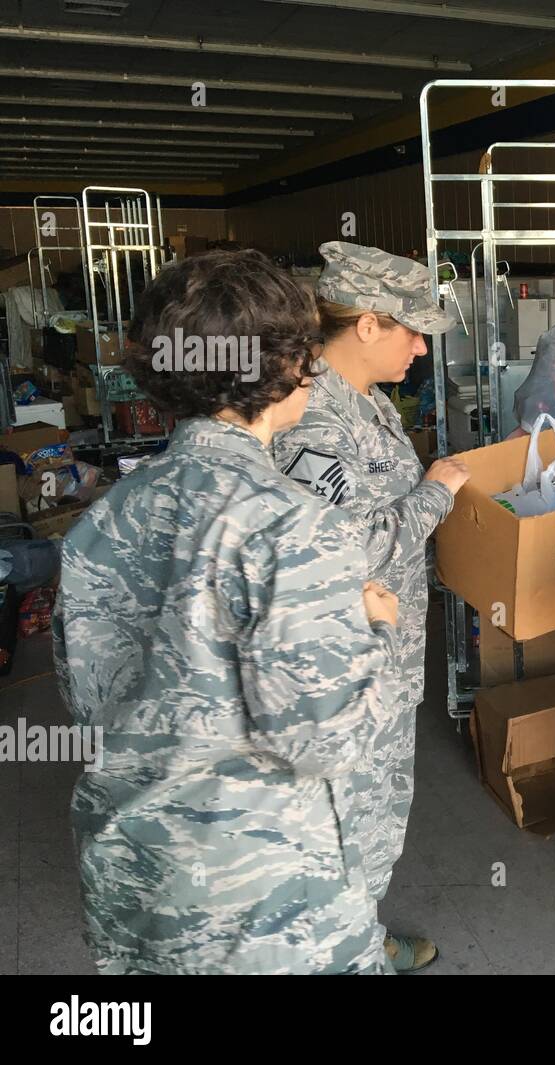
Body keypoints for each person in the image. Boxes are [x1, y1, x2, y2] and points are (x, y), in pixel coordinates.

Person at [54, 249, 400, 974]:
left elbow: (93, 702)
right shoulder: (298, 527)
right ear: (282, 366)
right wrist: (372, 629)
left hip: (137, 883)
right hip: (267, 912)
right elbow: (322, 741)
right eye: (304, 349)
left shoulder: (102, 519)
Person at [272, 241, 469, 973]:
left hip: (385, 664)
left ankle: (361, 932)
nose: (422, 346)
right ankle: (344, 955)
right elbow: (349, 550)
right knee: (343, 826)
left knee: (377, 822)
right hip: (346, 674)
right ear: (365, 324)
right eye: (412, 330)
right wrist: (436, 495)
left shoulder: (368, 401)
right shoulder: (315, 421)